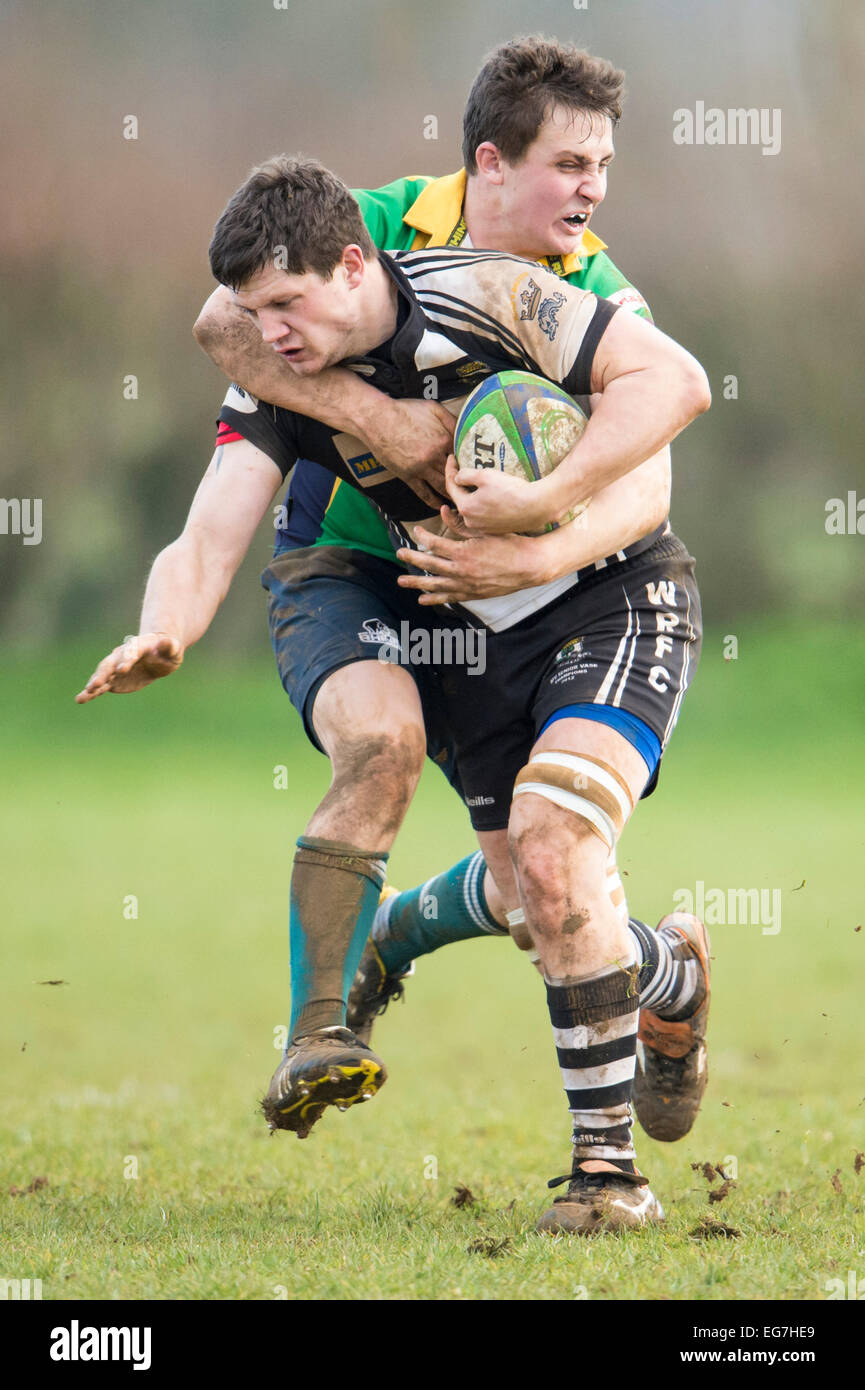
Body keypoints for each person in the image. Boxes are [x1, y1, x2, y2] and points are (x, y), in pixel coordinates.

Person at [193, 43, 711, 1173]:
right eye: (571, 164)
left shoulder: (589, 285)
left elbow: (654, 472)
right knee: (524, 871)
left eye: (604, 167)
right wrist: (380, 425)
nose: (593, 191)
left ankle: (623, 981)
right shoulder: (369, 226)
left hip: (507, 587)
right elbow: (227, 325)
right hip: (369, 573)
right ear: (488, 162)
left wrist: (536, 538)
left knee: (545, 885)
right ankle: (350, 991)